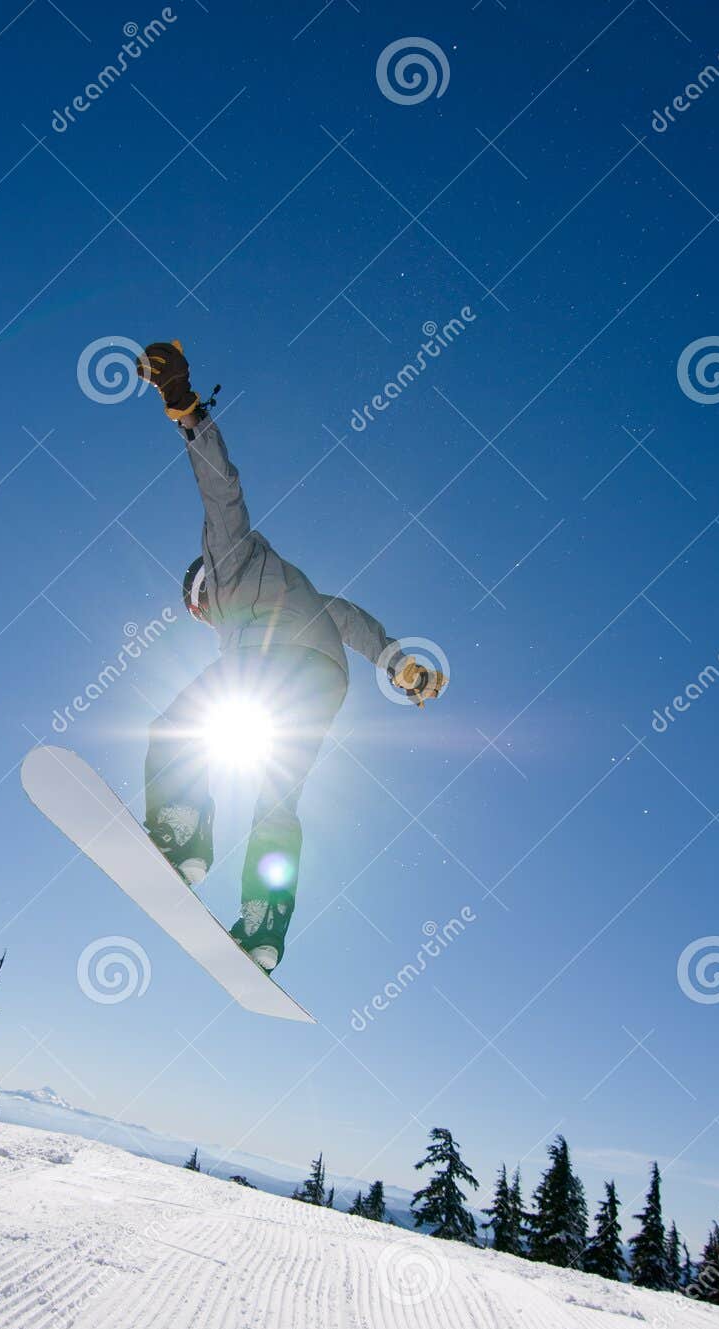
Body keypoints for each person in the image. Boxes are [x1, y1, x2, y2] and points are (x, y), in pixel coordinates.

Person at [137, 341, 446, 974]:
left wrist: (186, 411)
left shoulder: (227, 567)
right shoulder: (292, 590)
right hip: (322, 677)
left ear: (200, 592)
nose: (204, 620)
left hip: (272, 663)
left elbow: (223, 497)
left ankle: (182, 832)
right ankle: (263, 929)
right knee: (278, 801)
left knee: (176, 728)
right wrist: (396, 661)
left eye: (198, 612)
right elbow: (347, 621)